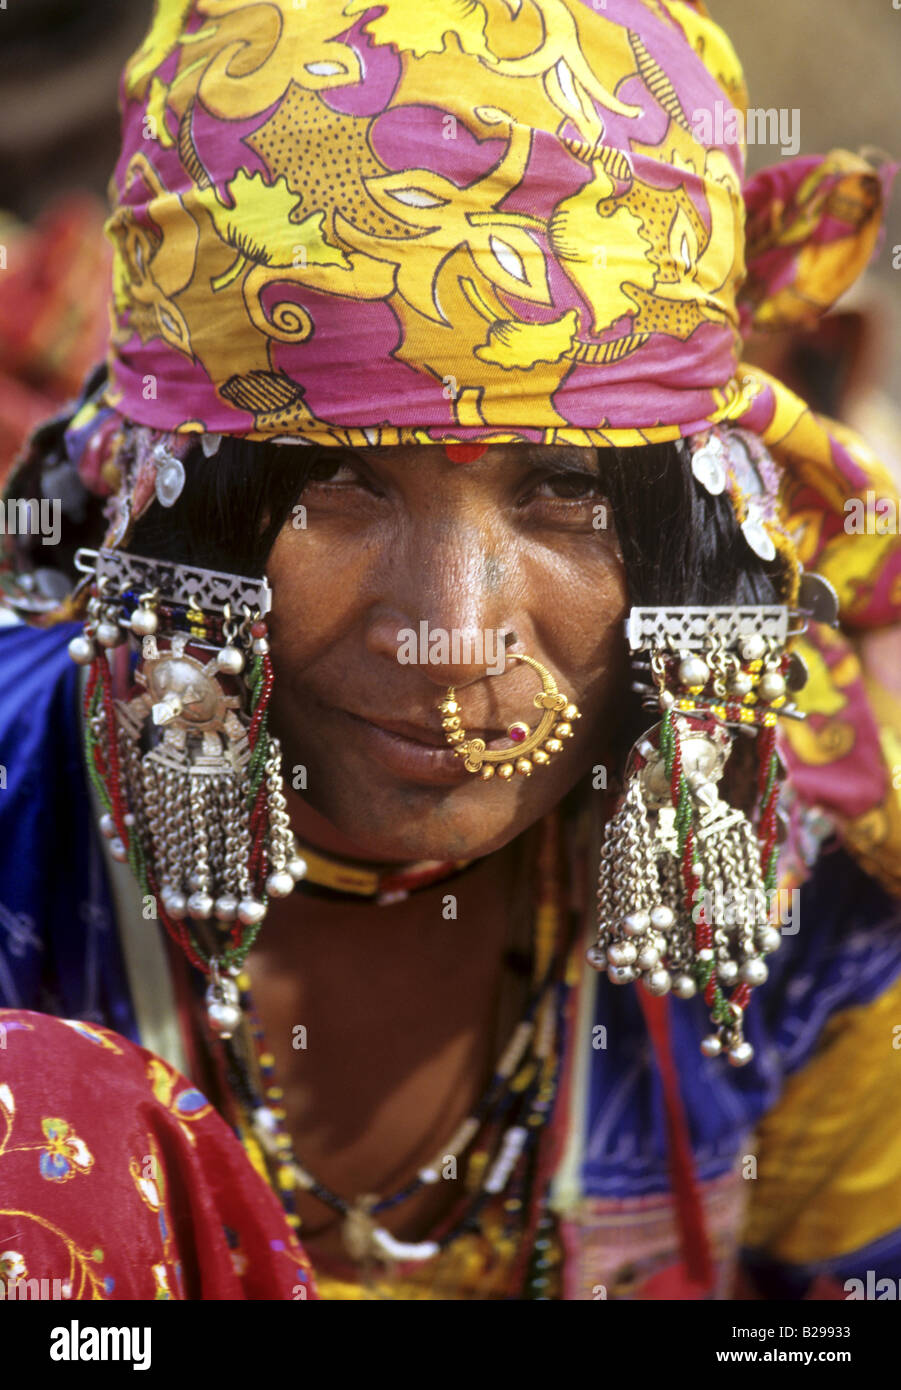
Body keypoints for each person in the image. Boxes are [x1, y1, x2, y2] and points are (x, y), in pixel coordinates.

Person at [1, 0, 901, 1302]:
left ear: (687, 531)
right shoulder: (25, 815)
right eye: (339, 482)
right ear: (171, 497)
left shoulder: (800, 882)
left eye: (566, 490)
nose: (453, 633)